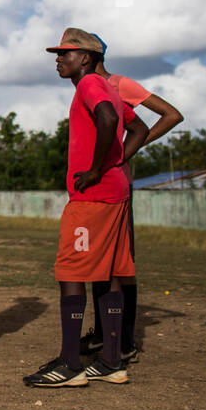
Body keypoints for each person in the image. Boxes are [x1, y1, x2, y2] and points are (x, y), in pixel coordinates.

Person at [25, 29, 148, 388]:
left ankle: (70, 363)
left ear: (87, 59)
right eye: (58, 53)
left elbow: (110, 119)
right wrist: (116, 161)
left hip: (92, 198)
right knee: (109, 273)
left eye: (66, 53)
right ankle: (112, 360)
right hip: (115, 194)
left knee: (72, 272)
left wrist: (96, 169)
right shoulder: (107, 86)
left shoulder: (90, 86)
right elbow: (138, 127)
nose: (58, 59)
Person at [80, 34, 184, 363]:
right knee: (99, 261)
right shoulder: (90, 85)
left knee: (121, 264)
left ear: (86, 55)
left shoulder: (118, 83)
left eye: (68, 52)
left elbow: (171, 115)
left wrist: (125, 152)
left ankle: (124, 340)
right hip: (100, 186)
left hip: (117, 185)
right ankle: (102, 334)